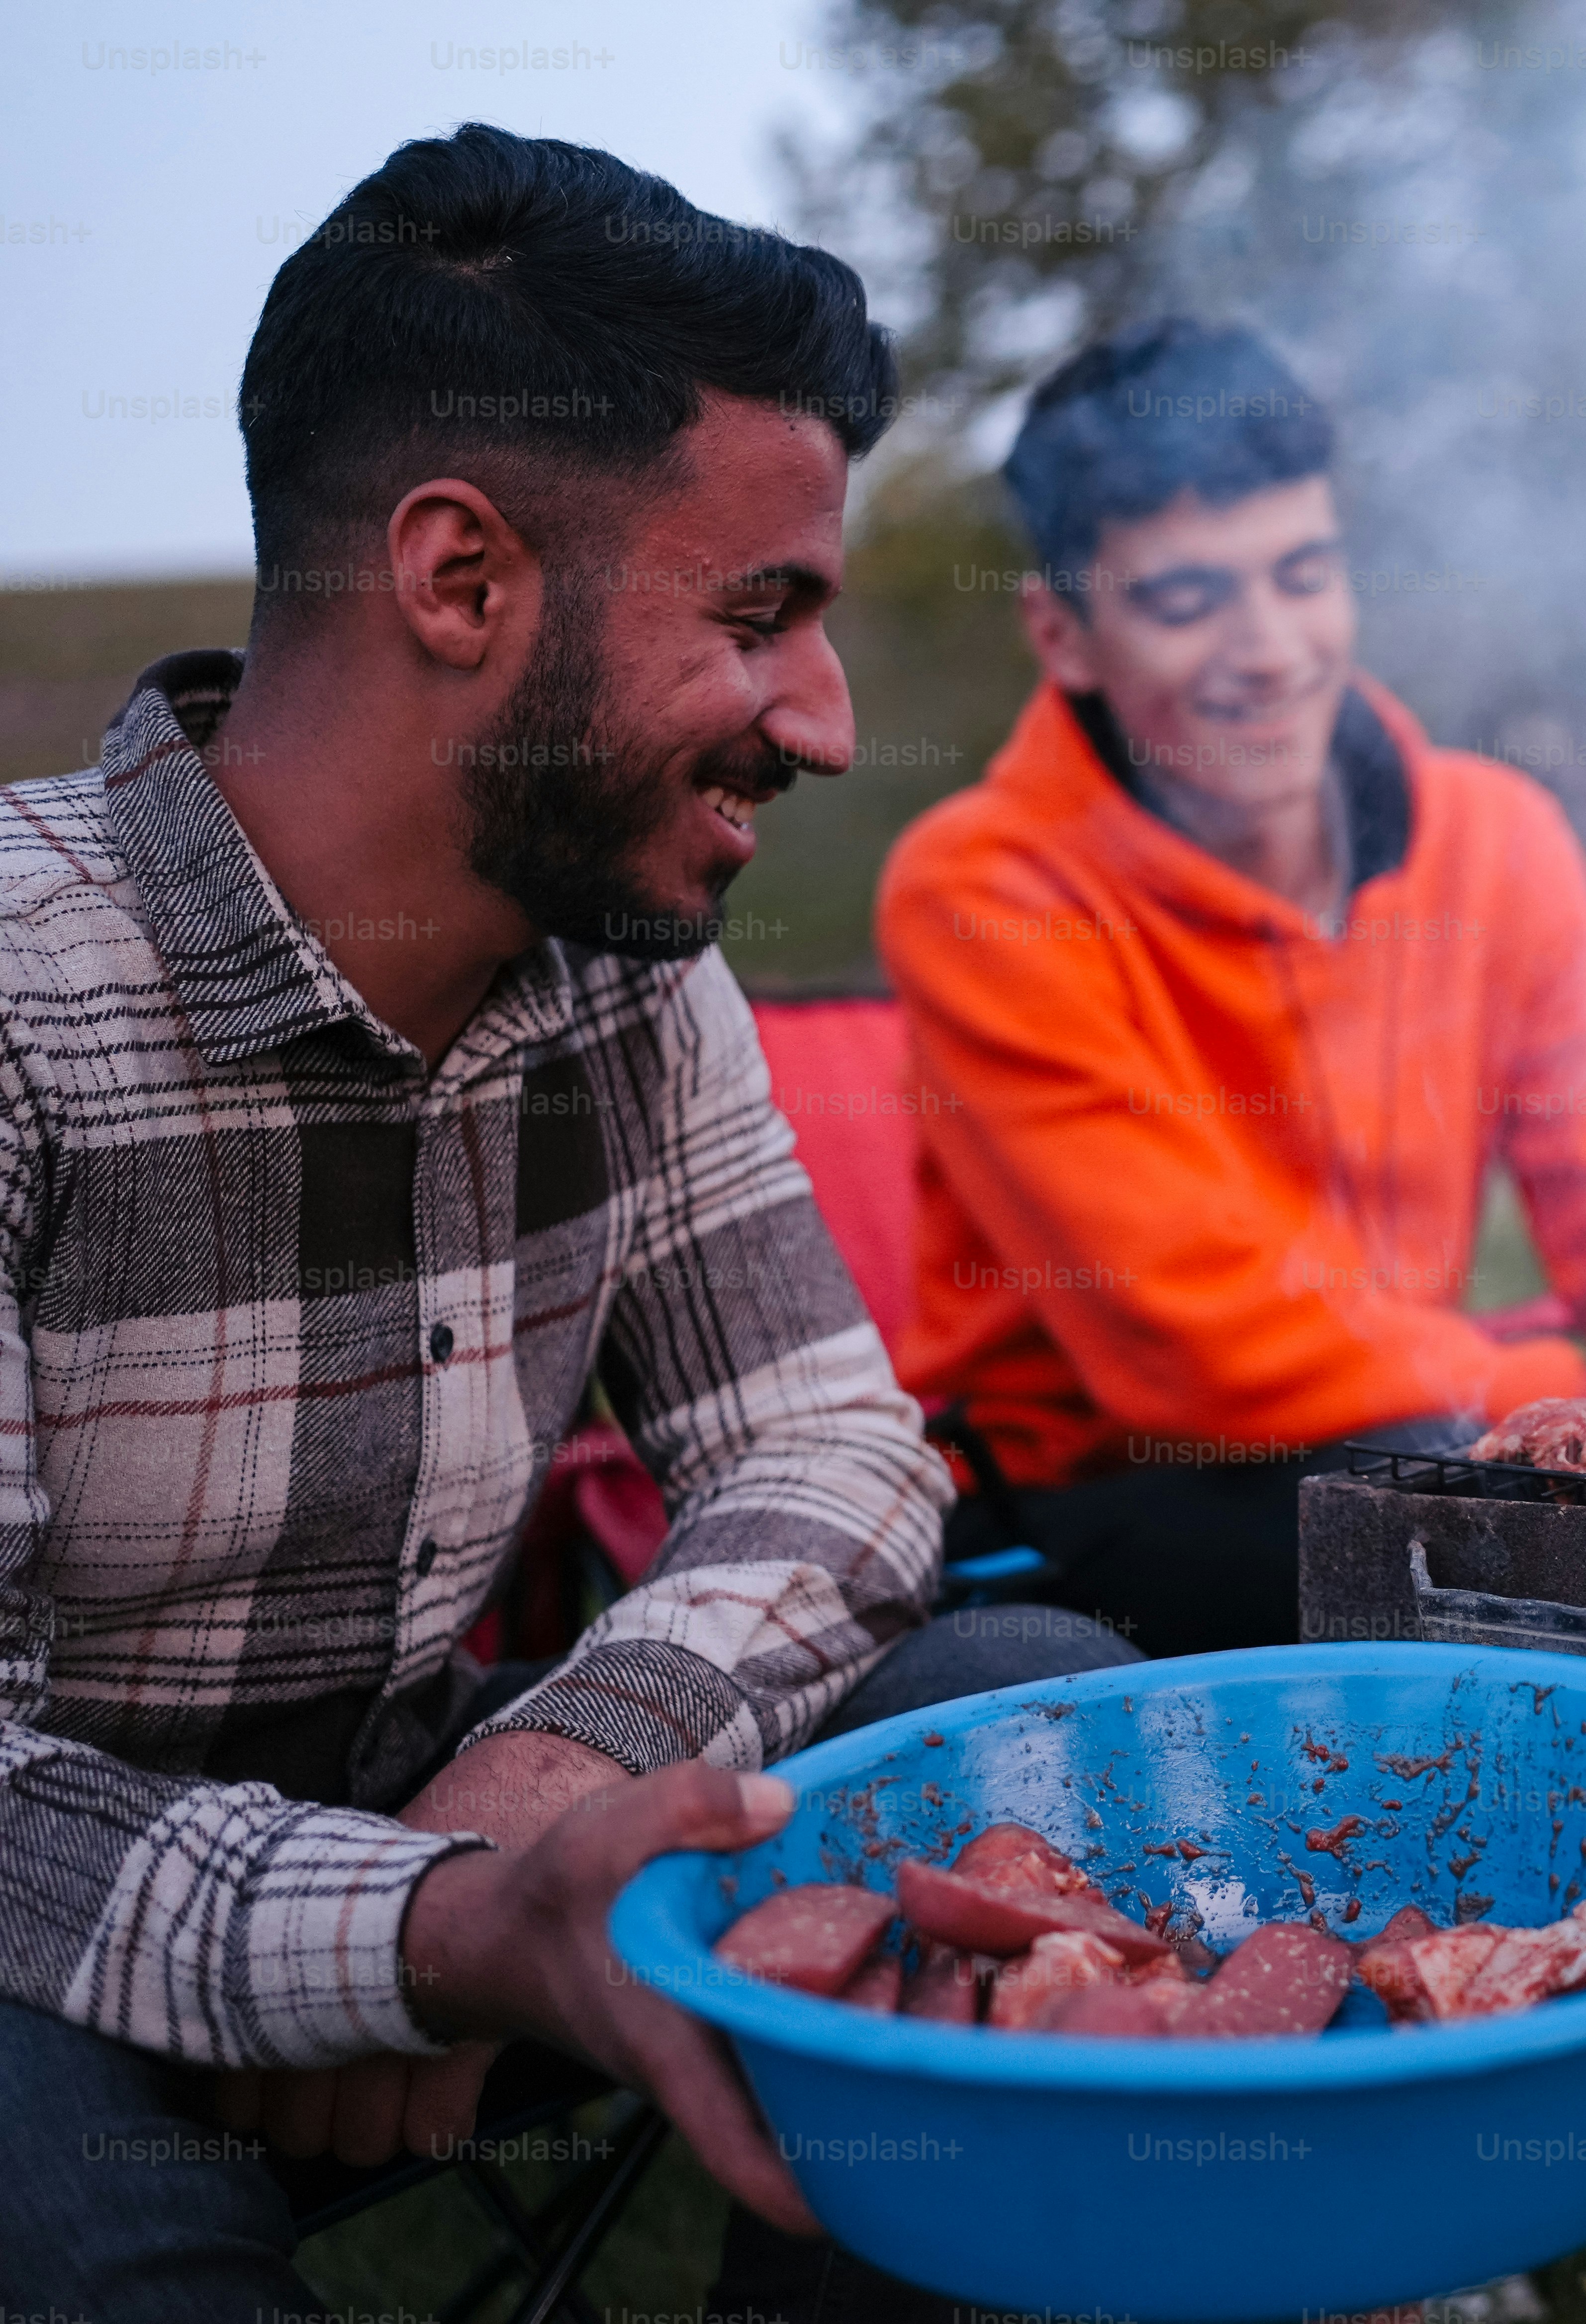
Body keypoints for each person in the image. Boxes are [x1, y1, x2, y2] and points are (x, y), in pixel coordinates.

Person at [0, 126, 1133, 2317]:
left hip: (455, 1833)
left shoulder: (622, 970)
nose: (821, 716)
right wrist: (406, 1935)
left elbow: (828, 1455)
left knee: (1030, 1704)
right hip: (51, 1957)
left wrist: (540, 1789)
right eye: (760, 613)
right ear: (458, 579)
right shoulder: (26, 999)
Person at [876, 320, 1586, 1656]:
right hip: (1092, 1502)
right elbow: (1186, 1338)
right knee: (1476, 1518)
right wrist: (1558, 1401)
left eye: (1304, 575)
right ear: (1062, 634)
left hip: (1413, 1434)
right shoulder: (985, 891)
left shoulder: (1497, 839)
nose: (1272, 649)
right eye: (1189, 602)